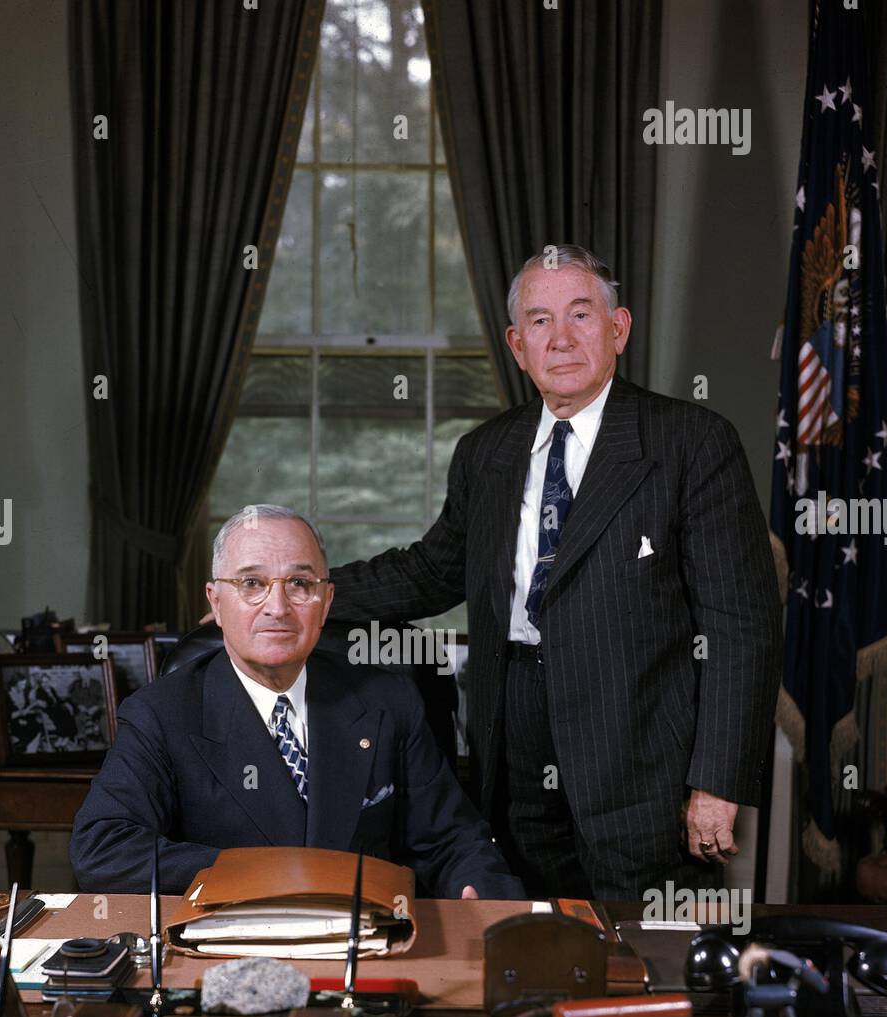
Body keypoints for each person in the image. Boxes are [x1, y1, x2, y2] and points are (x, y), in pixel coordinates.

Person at [327, 245, 782, 898]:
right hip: (510, 742)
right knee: (527, 945)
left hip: (639, 755)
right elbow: (430, 572)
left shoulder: (691, 443)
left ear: (618, 329)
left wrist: (717, 783)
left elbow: (741, 625)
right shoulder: (485, 452)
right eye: (539, 322)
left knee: (646, 962)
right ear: (516, 344)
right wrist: (303, 594)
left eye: (580, 315)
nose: (560, 339)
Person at [70, 505, 524, 899]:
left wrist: (482, 897)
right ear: (216, 601)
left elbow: (452, 841)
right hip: (233, 946)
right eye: (252, 583)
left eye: (300, 584)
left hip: (362, 948)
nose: (278, 607)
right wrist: (260, 875)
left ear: (325, 603)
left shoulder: (387, 700)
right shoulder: (160, 712)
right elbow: (103, 848)